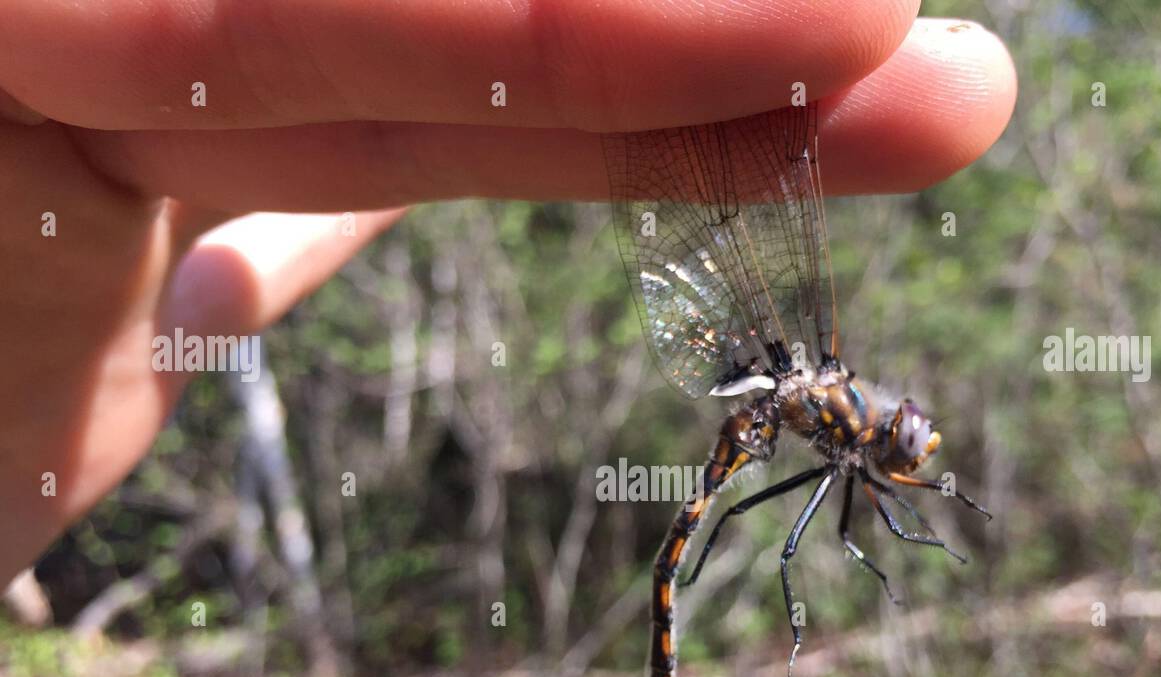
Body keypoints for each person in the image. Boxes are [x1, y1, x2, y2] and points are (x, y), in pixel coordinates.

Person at [0, 1, 1016, 585]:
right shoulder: (816, 390)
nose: (902, 443)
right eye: (901, 438)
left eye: (902, 442)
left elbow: (856, 518)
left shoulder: (840, 440)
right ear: (867, 430)